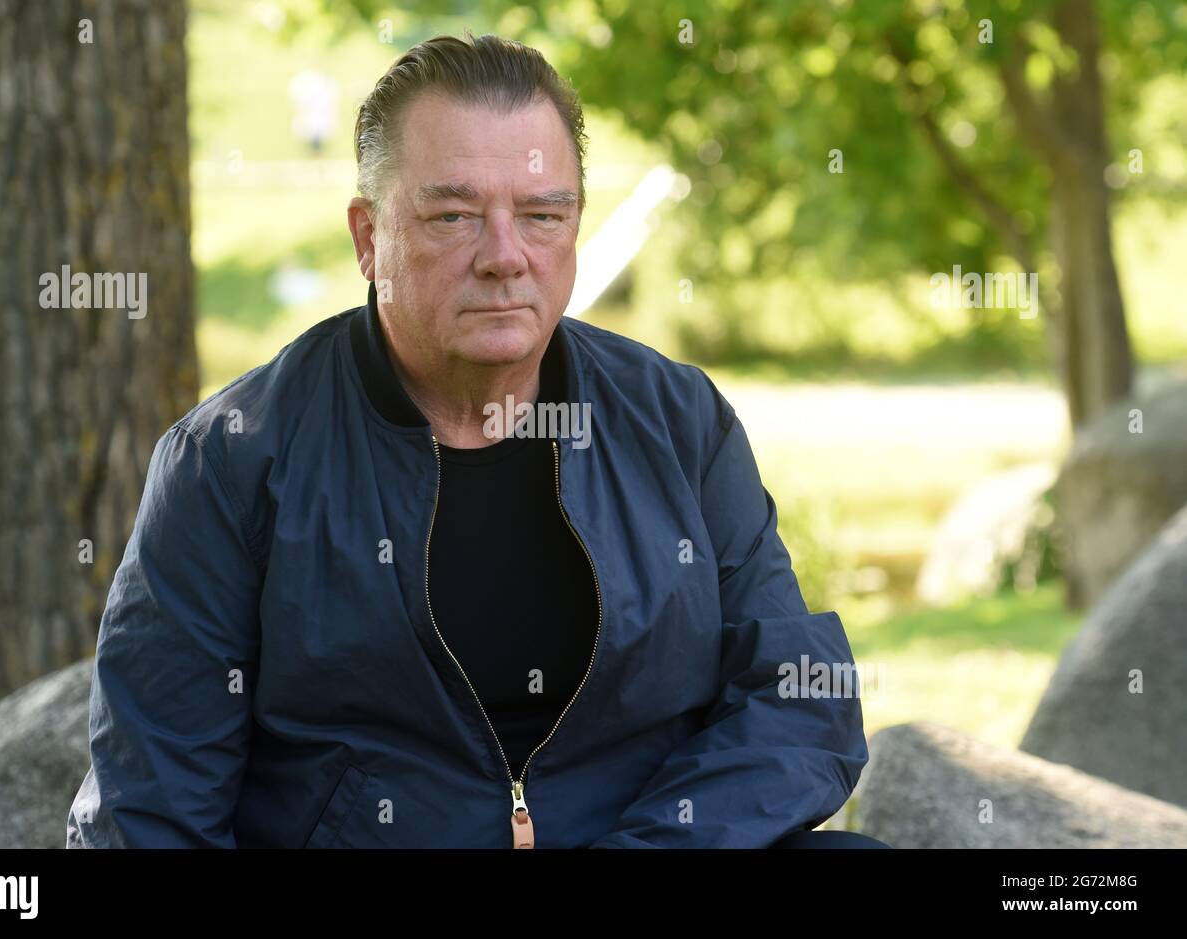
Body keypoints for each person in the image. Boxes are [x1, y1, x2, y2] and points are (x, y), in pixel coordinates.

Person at [66, 31, 880, 849]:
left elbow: (796, 695)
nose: (504, 256)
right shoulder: (231, 462)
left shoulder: (676, 418)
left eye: (540, 215)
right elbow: (150, 812)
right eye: (453, 215)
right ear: (367, 238)